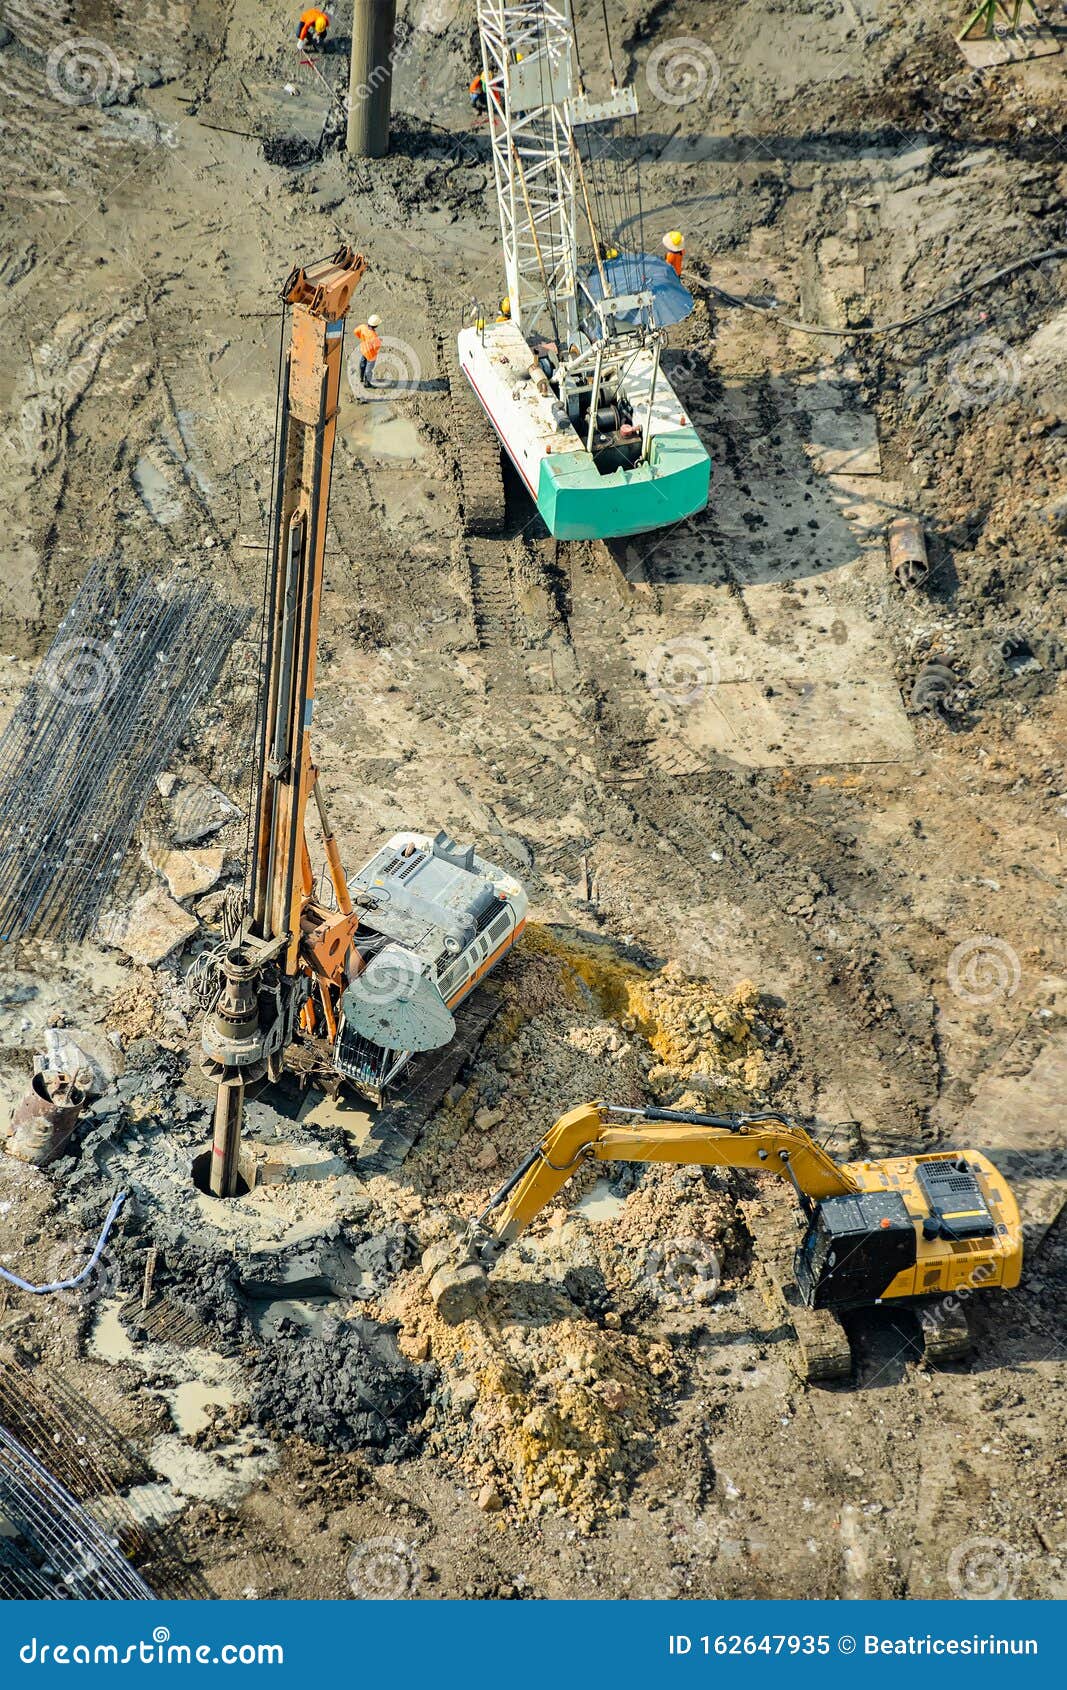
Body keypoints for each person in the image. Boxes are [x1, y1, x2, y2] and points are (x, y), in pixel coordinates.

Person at [354, 316, 382, 387]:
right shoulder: (374, 335)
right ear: (376, 326)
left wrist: (361, 337)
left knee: (362, 364)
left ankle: (361, 377)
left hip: (364, 350)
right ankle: (367, 383)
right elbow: (377, 347)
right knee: (369, 369)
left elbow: (355, 331)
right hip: (371, 354)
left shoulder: (362, 327)